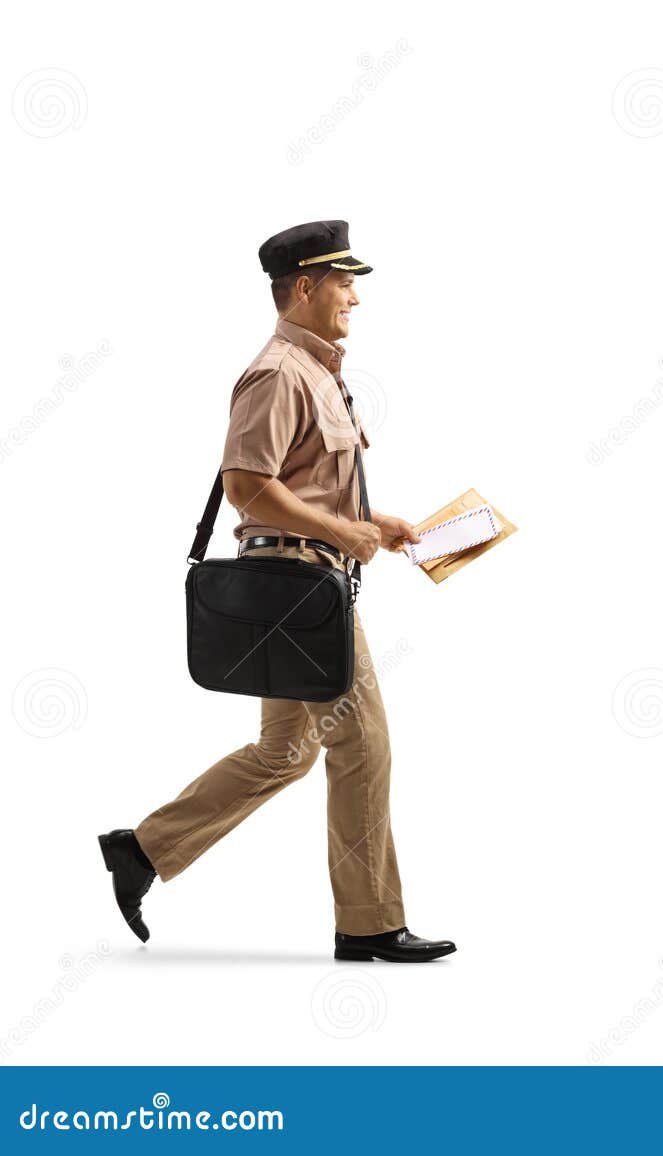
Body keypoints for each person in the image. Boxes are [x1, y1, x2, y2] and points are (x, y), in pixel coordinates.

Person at [97, 220, 457, 963]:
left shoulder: (319, 371)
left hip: (305, 578)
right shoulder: (276, 373)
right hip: (298, 590)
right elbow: (246, 487)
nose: (353, 295)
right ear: (304, 286)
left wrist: (368, 525)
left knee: (285, 751)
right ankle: (369, 926)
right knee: (363, 744)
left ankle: (142, 850)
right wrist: (339, 531)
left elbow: (300, 483)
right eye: (343, 281)